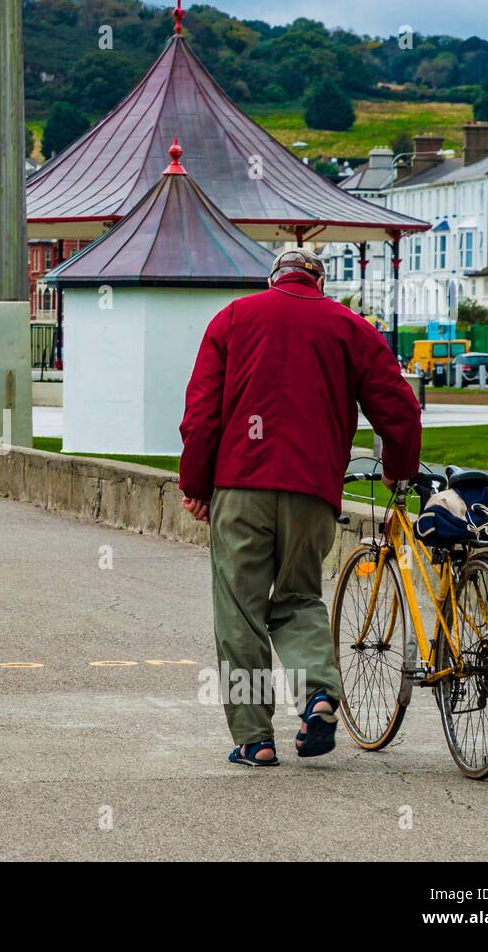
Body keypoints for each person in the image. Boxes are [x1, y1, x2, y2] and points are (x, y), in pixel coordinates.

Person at [178, 247, 422, 768]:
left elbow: (201, 414)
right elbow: (398, 405)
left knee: (239, 613)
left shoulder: (233, 319)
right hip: (312, 489)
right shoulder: (348, 326)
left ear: (274, 278)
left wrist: (196, 483)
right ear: (319, 281)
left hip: (241, 485)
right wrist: (399, 466)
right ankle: (317, 695)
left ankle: (255, 739)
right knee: (298, 597)